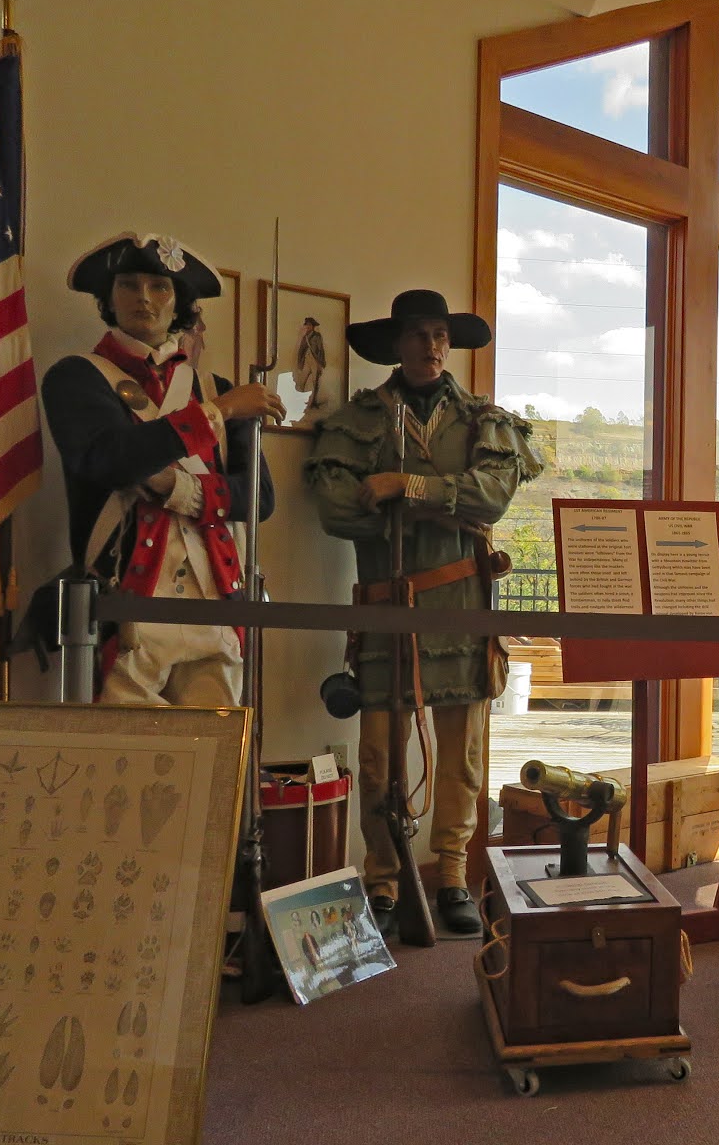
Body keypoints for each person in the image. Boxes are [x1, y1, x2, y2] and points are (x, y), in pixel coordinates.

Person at [305, 289, 542, 937]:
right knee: (380, 757)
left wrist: (404, 487)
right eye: (418, 335)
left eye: (440, 335)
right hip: (385, 612)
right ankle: (384, 880)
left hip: (461, 609)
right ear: (397, 344)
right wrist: (446, 502)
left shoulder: (483, 419)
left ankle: (451, 875)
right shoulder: (361, 420)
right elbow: (337, 509)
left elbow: (491, 498)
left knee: (463, 757)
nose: (432, 347)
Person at [43, 232, 282, 706]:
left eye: (160, 287)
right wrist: (217, 413)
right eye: (129, 285)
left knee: (211, 765)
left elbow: (259, 498)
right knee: (119, 766)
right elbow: (108, 458)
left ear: (179, 304)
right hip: (126, 604)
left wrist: (176, 487)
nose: (144, 298)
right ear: (109, 299)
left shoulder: (213, 385)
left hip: (212, 606)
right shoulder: (78, 377)